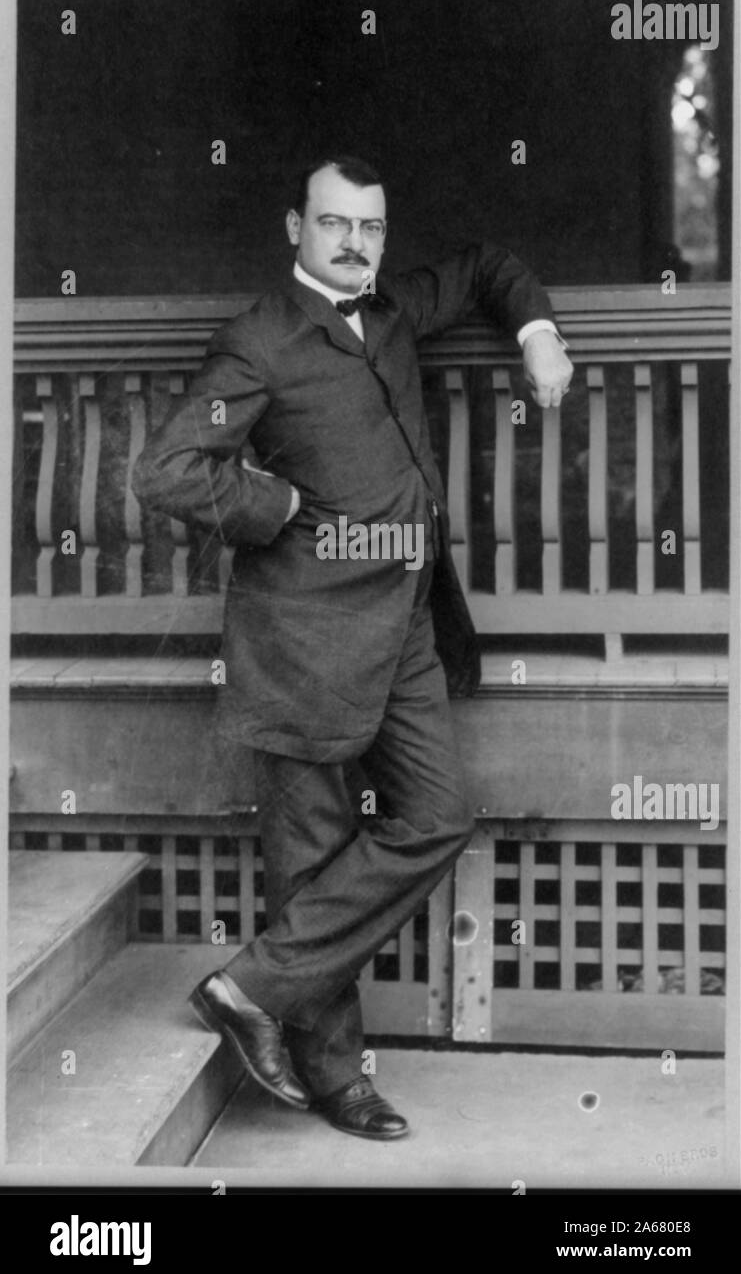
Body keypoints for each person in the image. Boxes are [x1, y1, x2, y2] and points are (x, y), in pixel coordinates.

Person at [132, 155, 573, 1140]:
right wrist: (273, 502)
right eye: (334, 224)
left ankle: (251, 986)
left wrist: (540, 333)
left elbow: (490, 267)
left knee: (438, 813)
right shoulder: (258, 339)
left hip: (406, 623)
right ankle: (340, 1078)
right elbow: (164, 471)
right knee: (314, 853)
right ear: (297, 226)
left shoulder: (397, 310)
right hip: (303, 639)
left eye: (370, 227)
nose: (353, 243)